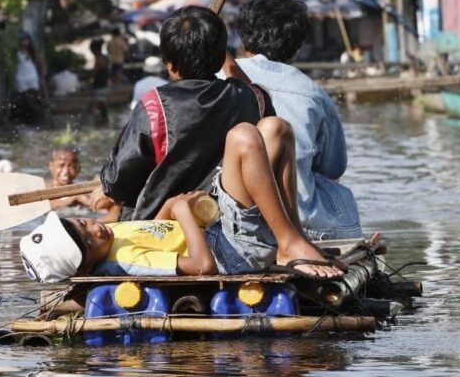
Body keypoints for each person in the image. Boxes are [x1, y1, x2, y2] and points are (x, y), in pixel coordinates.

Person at [87, 6, 339, 276]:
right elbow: (252, 91)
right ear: (221, 57)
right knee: (274, 126)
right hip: (216, 223)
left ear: (169, 64)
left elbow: (118, 183)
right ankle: (290, 238)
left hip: (166, 230)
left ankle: (292, 240)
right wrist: (225, 59)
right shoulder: (248, 98)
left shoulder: (154, 105)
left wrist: (105, 186)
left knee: (274, 128)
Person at [20, 119, 344, 282]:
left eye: (84, 224)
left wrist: (173, 206)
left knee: (275, 129)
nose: (95, 230)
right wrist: (183, 212)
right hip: (231, 251)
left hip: (224, 233)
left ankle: (294, 238)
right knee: (242, 136)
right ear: (88, 267)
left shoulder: (113, 237)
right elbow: (203, 267)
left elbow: (156, 229)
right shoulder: (120, 263)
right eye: (88, 241)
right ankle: (287, 244)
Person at [230, 0, 362, 240]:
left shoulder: (218, 80)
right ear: (297, 46)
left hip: (232, 221)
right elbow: (333, 168)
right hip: (302, 223)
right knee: (332, 192)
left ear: (244, 38)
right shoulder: (313, 94)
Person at [89, 38, 110, 120]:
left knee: (94, 105)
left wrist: (88, 79)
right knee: (103, 104)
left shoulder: (98, 59)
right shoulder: (105, 57)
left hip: (99, 84)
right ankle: (104, 120)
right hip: (105, 83)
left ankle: (92, 123)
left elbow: (94, 72)